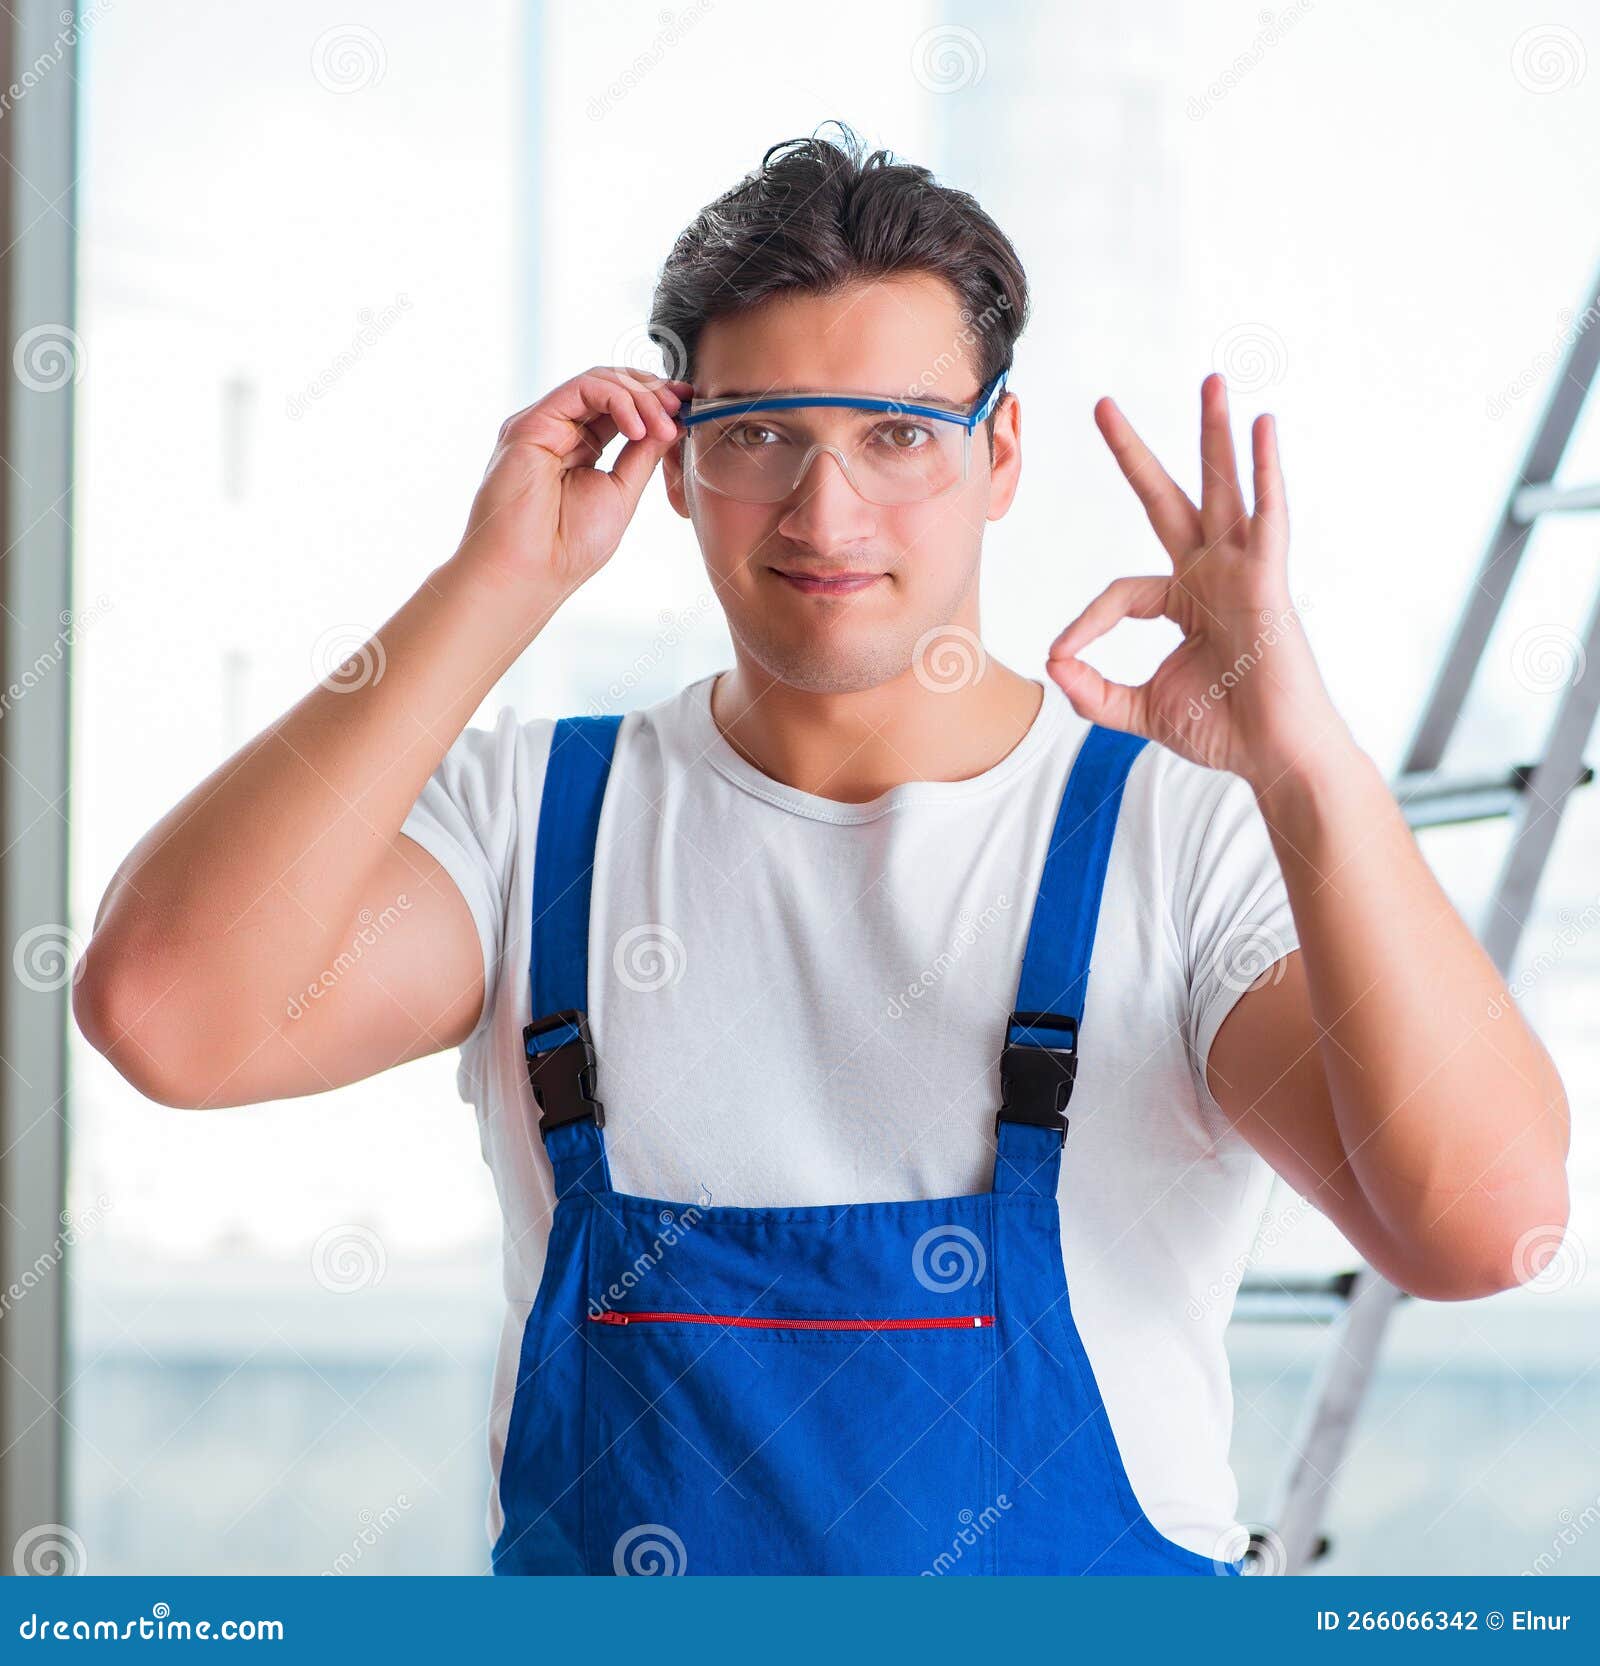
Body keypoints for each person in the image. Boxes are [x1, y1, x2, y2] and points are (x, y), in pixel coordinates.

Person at [75, 125, 1570, 1577]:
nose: (825, 507)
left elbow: (1490, 1227)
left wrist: (1309, 767)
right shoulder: (538, 822)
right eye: (761, 434)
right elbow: (167, 1012)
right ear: (672, 461)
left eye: (898, 436)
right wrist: (494, 583)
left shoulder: (1176, 836)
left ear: (1004, 456)